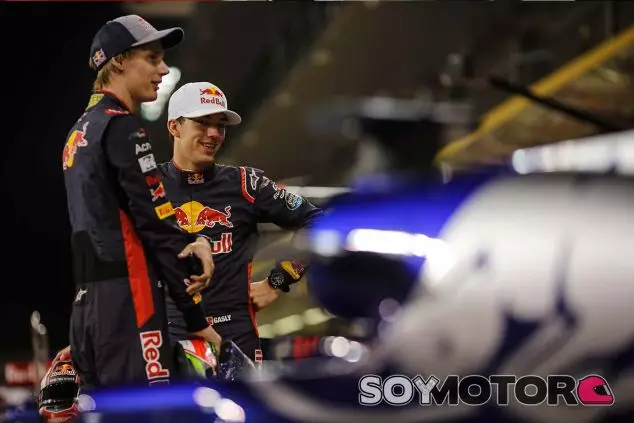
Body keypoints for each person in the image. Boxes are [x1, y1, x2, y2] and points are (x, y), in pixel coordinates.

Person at [60, 16, 221, 388]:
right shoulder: (122, 127)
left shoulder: (78, 133)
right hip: (131, 305)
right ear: (118, 61)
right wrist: (196, 319)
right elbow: (157, 225)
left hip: (87, 310)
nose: (164, 70)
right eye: (152, 58)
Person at [161, 82, 323, 362]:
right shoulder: (145, 187)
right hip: (166, 335)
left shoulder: (247, 184)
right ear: (174, 127)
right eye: (202, 122)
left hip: (233, 336)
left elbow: (320, 223)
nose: (213, 134)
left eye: (220, 125)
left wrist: (277, 280)